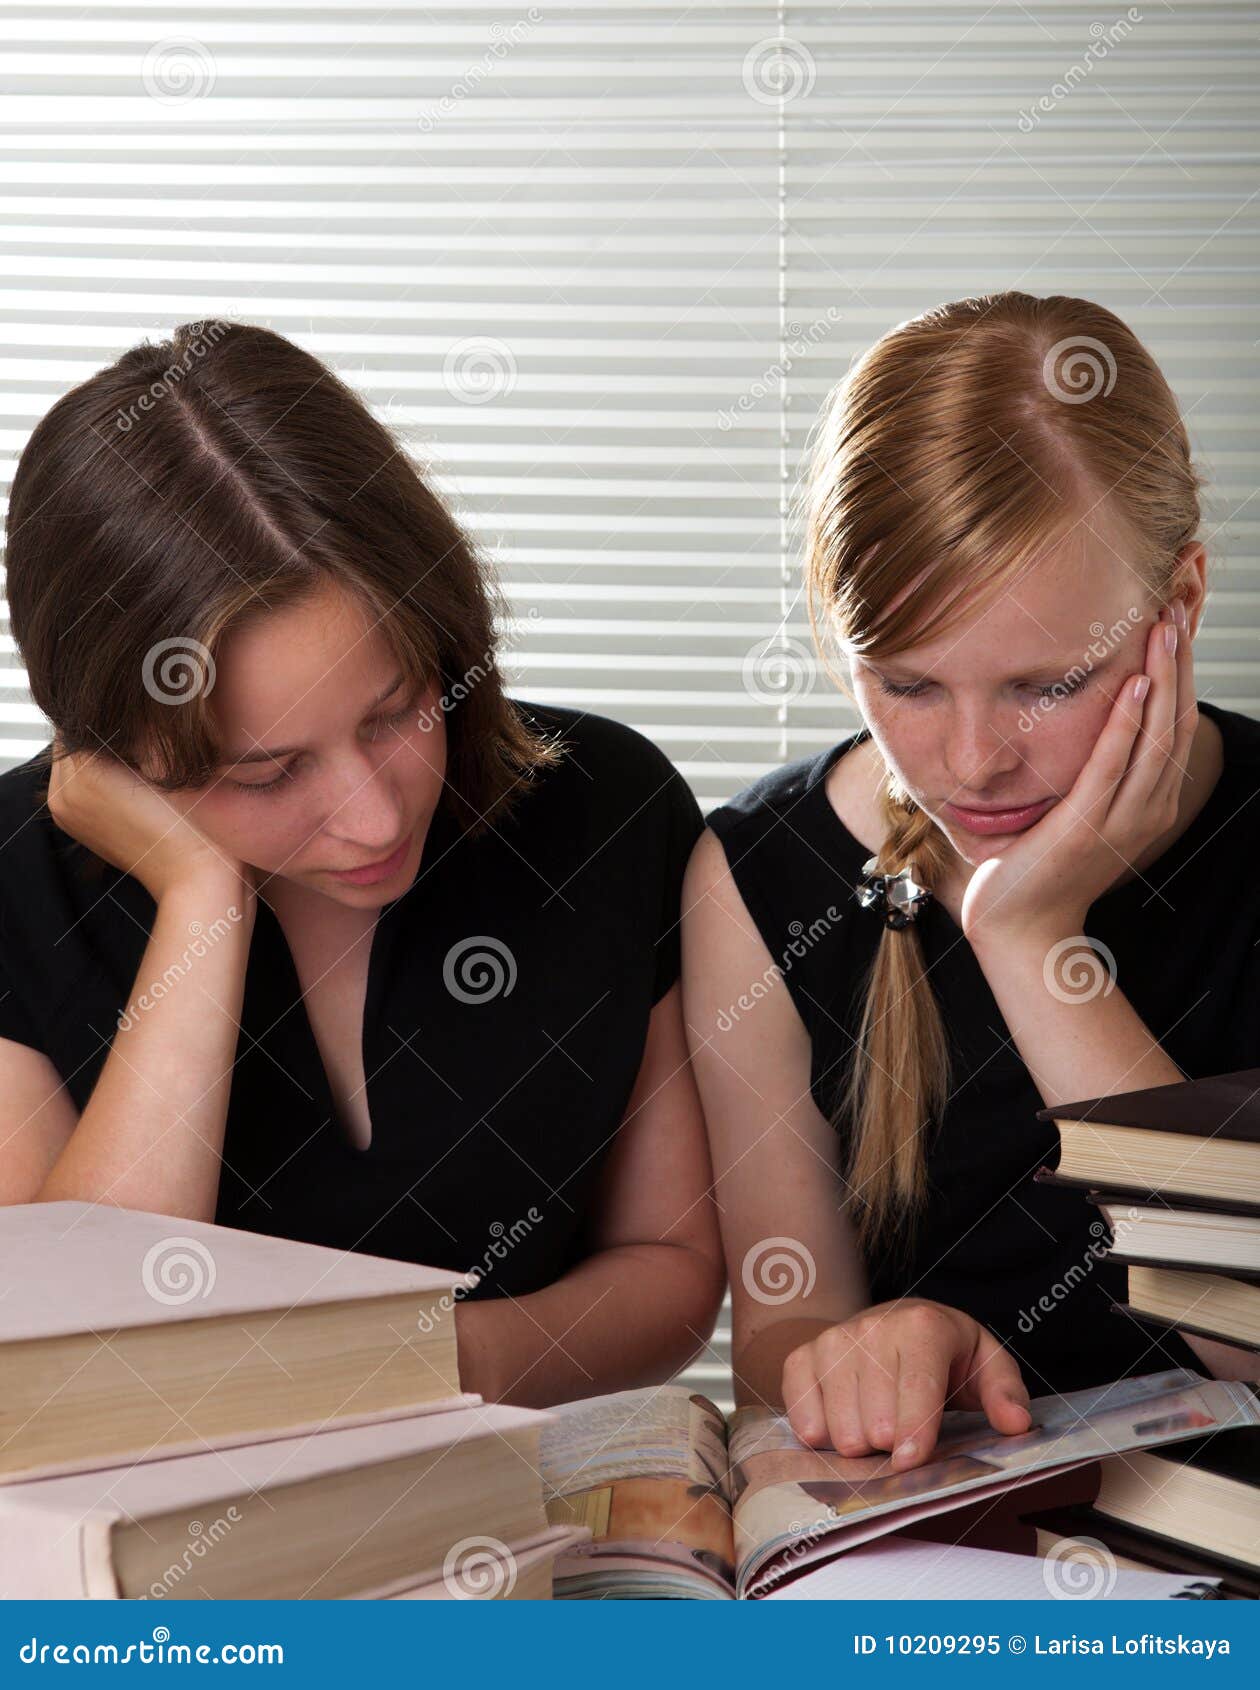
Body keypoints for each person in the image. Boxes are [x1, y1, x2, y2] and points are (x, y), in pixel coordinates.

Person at [0, 319, 724, 1408]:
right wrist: (201, 903)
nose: (374, 816)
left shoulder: (605, 805)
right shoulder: (19, 880)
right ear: (117, 752)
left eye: (396, 712)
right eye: (267, 771)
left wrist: (412, 1368)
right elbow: (68, 1374)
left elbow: (669, 1270)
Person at [682, 290, 1260, 1471]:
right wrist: (880, 1353)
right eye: (905, 684)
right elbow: (789, 1359)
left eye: (1047, 685)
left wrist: (1031, 936)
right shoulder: (760, 880)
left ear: (1180, 605)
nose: (974, 761)